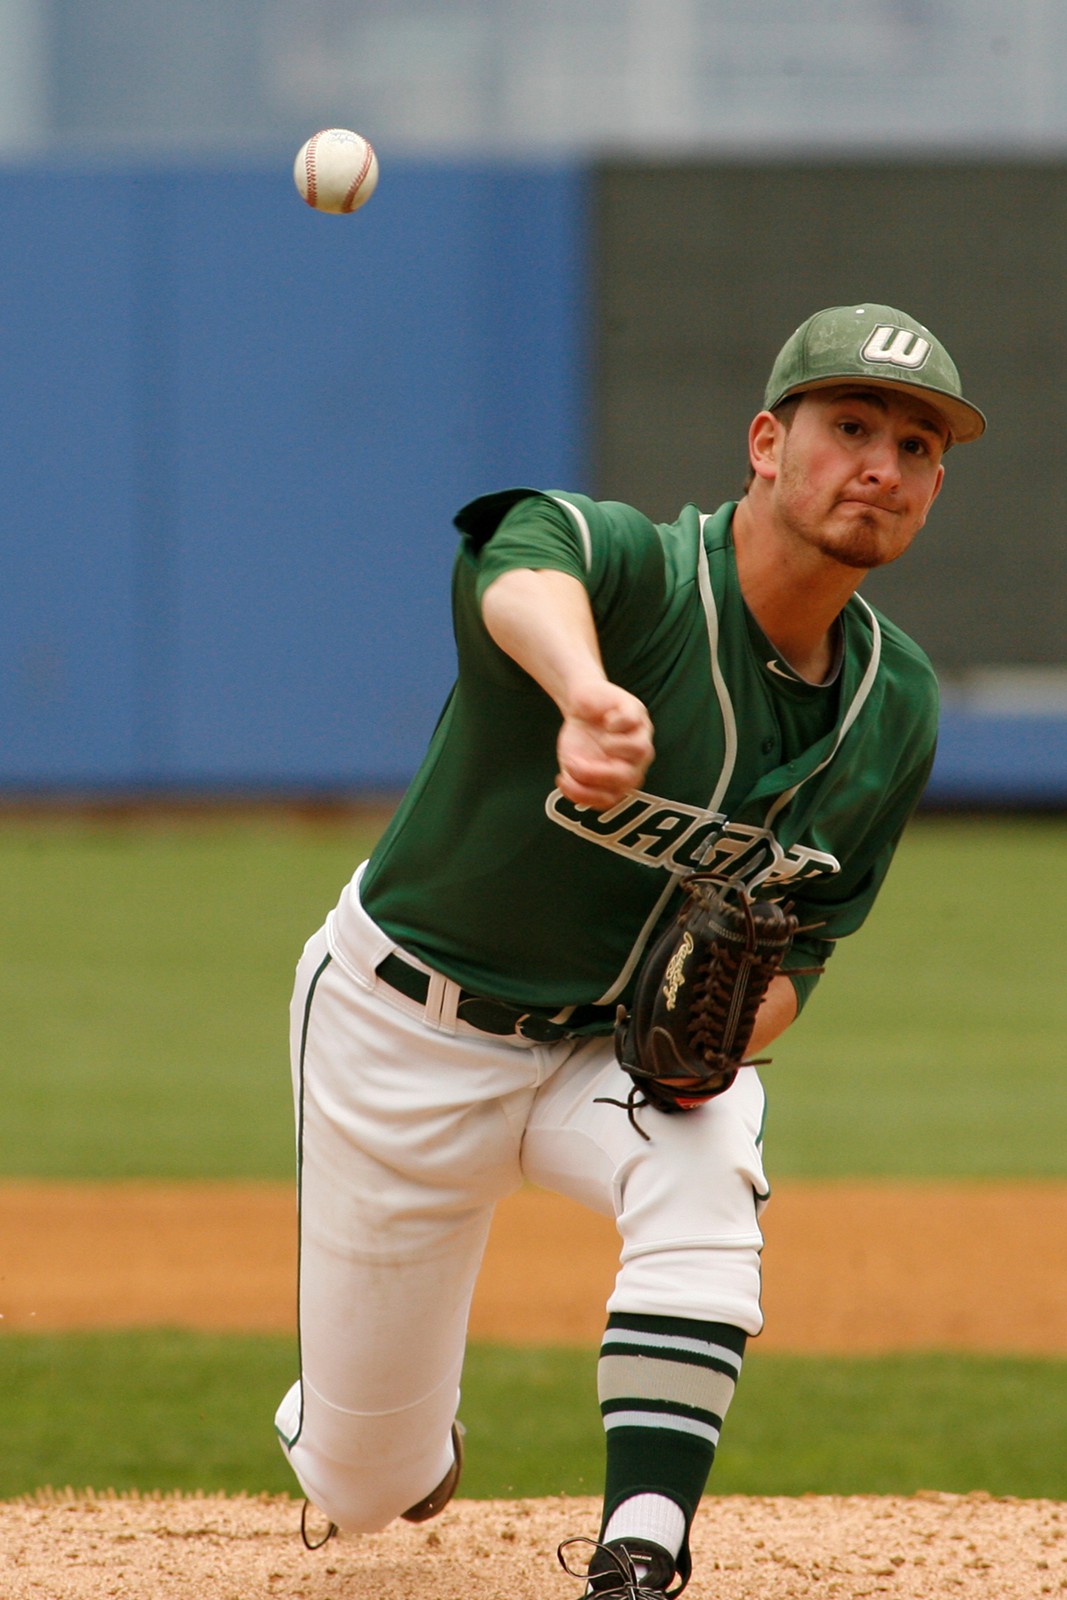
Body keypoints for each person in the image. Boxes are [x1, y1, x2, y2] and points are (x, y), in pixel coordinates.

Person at [274, 303, 985, 1598]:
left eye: (916, 447)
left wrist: (725, 1035)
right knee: (363, 1490)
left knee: (711, 1157)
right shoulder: (639, 576)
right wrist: (583, 688)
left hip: (603, 1055)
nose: (881, 466)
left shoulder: (895, 706)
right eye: (850, 427)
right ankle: (374, 1440)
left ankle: (641, 1550)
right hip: (402, 1031)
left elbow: (807, 948)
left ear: (935, 488)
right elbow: (513, 548)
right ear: (766, 444)